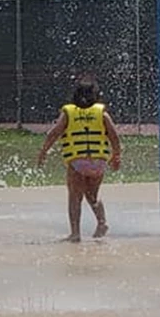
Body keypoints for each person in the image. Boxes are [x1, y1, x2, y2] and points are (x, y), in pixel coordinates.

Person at [37, 76, 122, 242]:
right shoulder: (102, 113)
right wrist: (116, 155)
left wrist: (44, 151)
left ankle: (75, 233)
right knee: (93, 195)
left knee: (75, 197)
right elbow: (114, 136)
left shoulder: (68, 113)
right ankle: (102, 222)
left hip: (77, 162)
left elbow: (54, 133)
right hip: (98, 162)